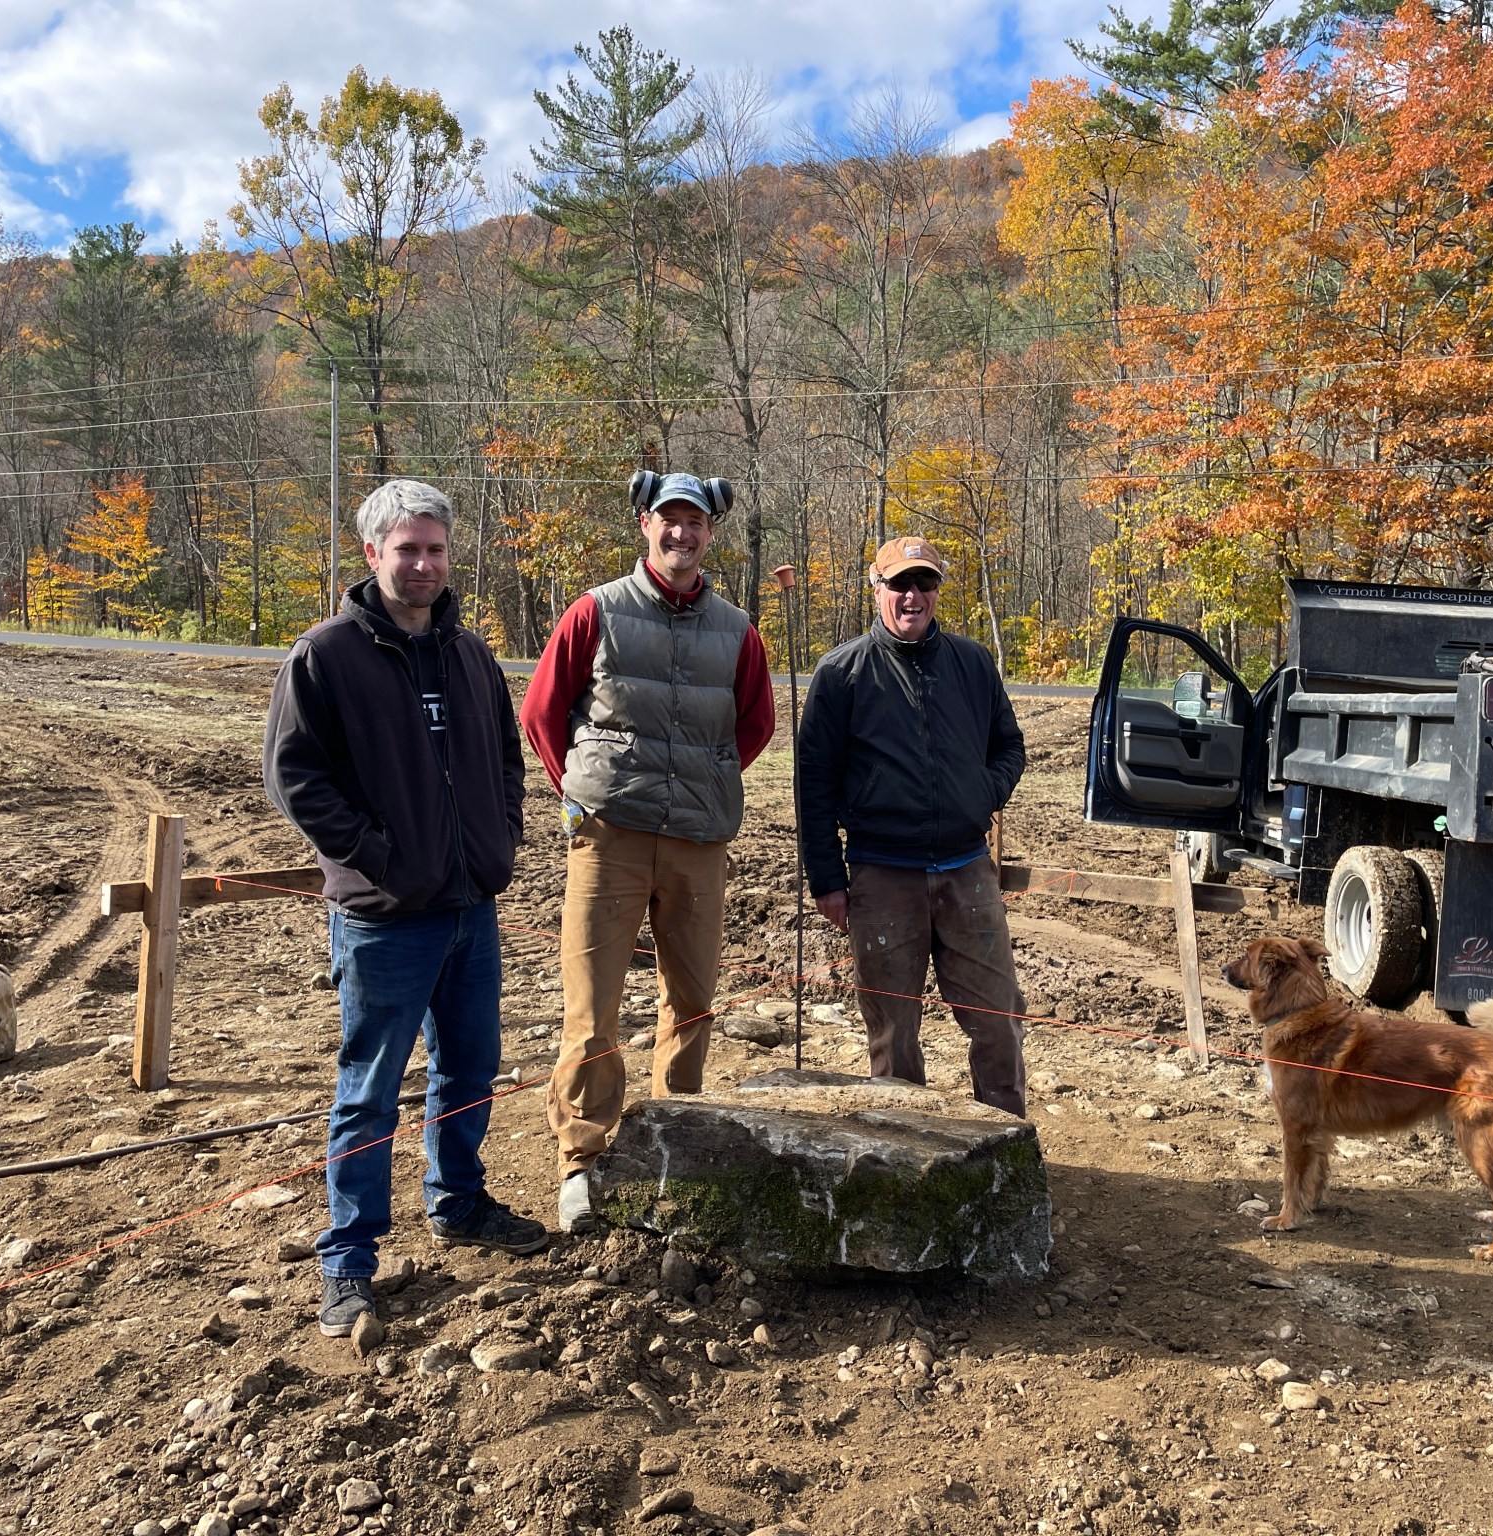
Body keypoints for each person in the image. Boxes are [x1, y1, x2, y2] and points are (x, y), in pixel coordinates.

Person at [264, 479, 546, 1340]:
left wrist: (498, 837)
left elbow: (504, 754)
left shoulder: (469, 655)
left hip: (471, 906)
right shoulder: (326, 657)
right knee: (370, 1091)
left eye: (434, 549)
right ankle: (348, 1260)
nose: (422, 565)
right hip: (385, 918)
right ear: (372, 554)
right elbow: (295, 778)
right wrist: (382, 856)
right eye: (406, 550)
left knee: (469, 1069)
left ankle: (458, 1201)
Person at [521, 470, 776, 1234]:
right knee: (593, 1003)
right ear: (644, 524)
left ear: (710, 532)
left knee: (692, 1000)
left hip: (699, 840)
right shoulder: (595, 611)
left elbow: (755, 725)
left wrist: (702, 781)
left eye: (694, 523)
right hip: (610, 839)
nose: (681, 534)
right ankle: (583, 1158)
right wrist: (586, 790)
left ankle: (676, 1139)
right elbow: (541, 713)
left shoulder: (738, 630)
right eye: (669, 519)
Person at [794, 534, 1030, 1117]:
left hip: (966, 868)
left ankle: (1005, 1142)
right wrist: (826, 876)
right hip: (881, 873)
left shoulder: (972, 663)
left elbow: (1009, 745)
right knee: (893, 1032)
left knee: (998, 1018)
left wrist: (982, 793)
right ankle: (904, 1151)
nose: (912, 595)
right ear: (876, 590)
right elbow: (813, 784)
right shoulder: (841, 673)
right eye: (899, 583)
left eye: (924, 583)